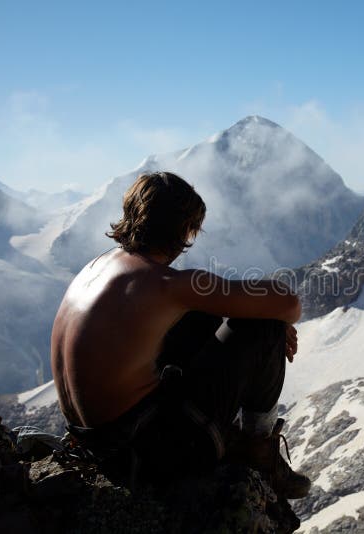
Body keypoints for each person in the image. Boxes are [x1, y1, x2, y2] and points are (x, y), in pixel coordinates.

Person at [50, 171, 311, 498]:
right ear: (184, 228)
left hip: (98, 445)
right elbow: (289, 303)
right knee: (263, 326)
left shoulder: (95, 269)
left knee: (204, 314)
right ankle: (260, 455)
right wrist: (274, 320)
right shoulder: (168, 285)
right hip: (153, 456)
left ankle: (240, 444)